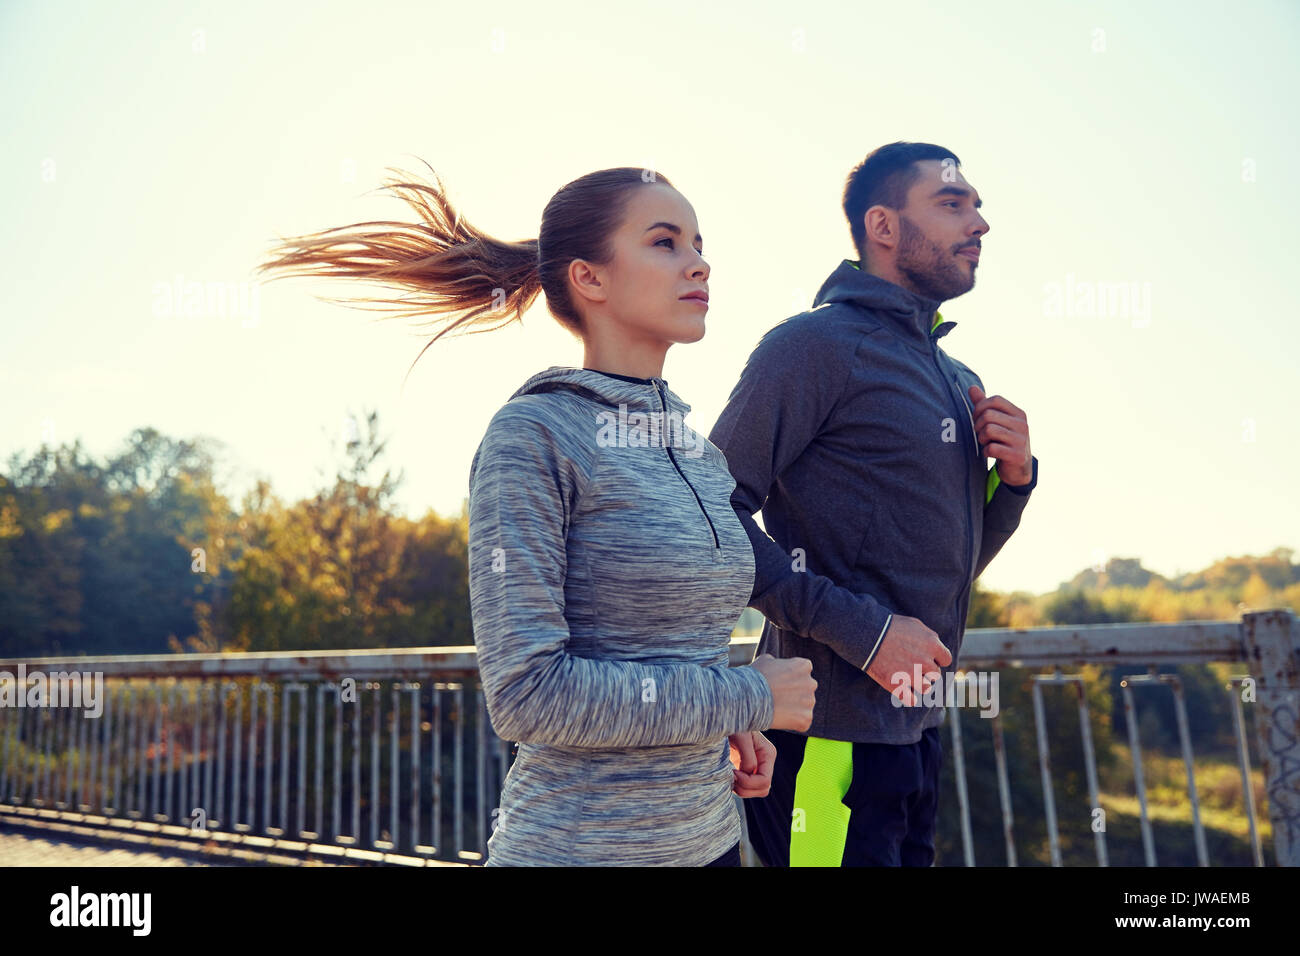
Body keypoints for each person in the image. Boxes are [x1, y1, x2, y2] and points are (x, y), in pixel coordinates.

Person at [256, 161, 817, 866]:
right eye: (666, 242)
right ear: (590, 279)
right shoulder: (534, 436)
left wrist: (727, 728)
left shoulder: (700, 457)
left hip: (710, 843)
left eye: (700, 244)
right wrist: (743, 698)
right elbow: (529, 695)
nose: (699, 264)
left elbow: (672, 654)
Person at [709, 142, 1038, 867]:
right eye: (953, 204)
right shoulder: (812, 346)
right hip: (825, 734)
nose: (979, 223)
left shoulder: (958, 377)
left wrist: (1013, 486)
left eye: (979, 206)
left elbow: (945, 567)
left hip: (915, 736)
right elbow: (707, 515)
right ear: (884, 227)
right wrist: (864, 633)